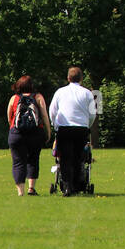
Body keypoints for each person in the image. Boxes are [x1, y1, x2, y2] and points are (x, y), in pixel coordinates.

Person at [49, 66, 97, 195]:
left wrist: (55, 125)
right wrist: (87, 125)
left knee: (65, 158)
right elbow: (92, 114)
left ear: (68, 78)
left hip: (64, 128)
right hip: (81, 128)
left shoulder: (60, 92)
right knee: (77, 157)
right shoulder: (87, 93)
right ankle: (77, 184)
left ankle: (67, 186)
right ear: (81, 78)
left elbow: (52, 111)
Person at [6, 75, 51, 196]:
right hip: (36, 134)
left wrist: (12, 127)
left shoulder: (14, 98)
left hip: (17, 134)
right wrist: (48, 131)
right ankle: (31, 188)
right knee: (33, 160)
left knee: (18, 162)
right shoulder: (38, 97)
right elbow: (45, 115)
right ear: (32, 86)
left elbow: (9, 115)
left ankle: (20, 191)